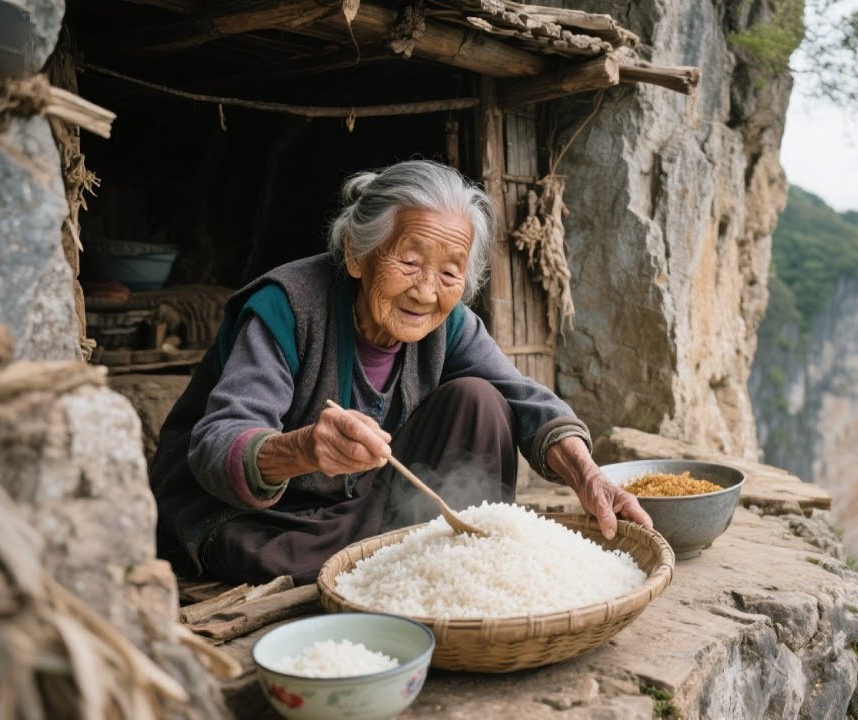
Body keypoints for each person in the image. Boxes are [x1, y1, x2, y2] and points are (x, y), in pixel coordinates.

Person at [150, 160, 651, 585]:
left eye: (450, 272)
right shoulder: (286, 306)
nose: (427, 291)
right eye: (409, 261)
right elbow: (219, 441)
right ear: (355, 254)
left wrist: (589, 477)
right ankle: (399, 559)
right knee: (274, 554)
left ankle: (434, 559)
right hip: (268, 518)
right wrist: (303, 449)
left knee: (479, 401)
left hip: (361, 506)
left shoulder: (449, 323)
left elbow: (526, 400)